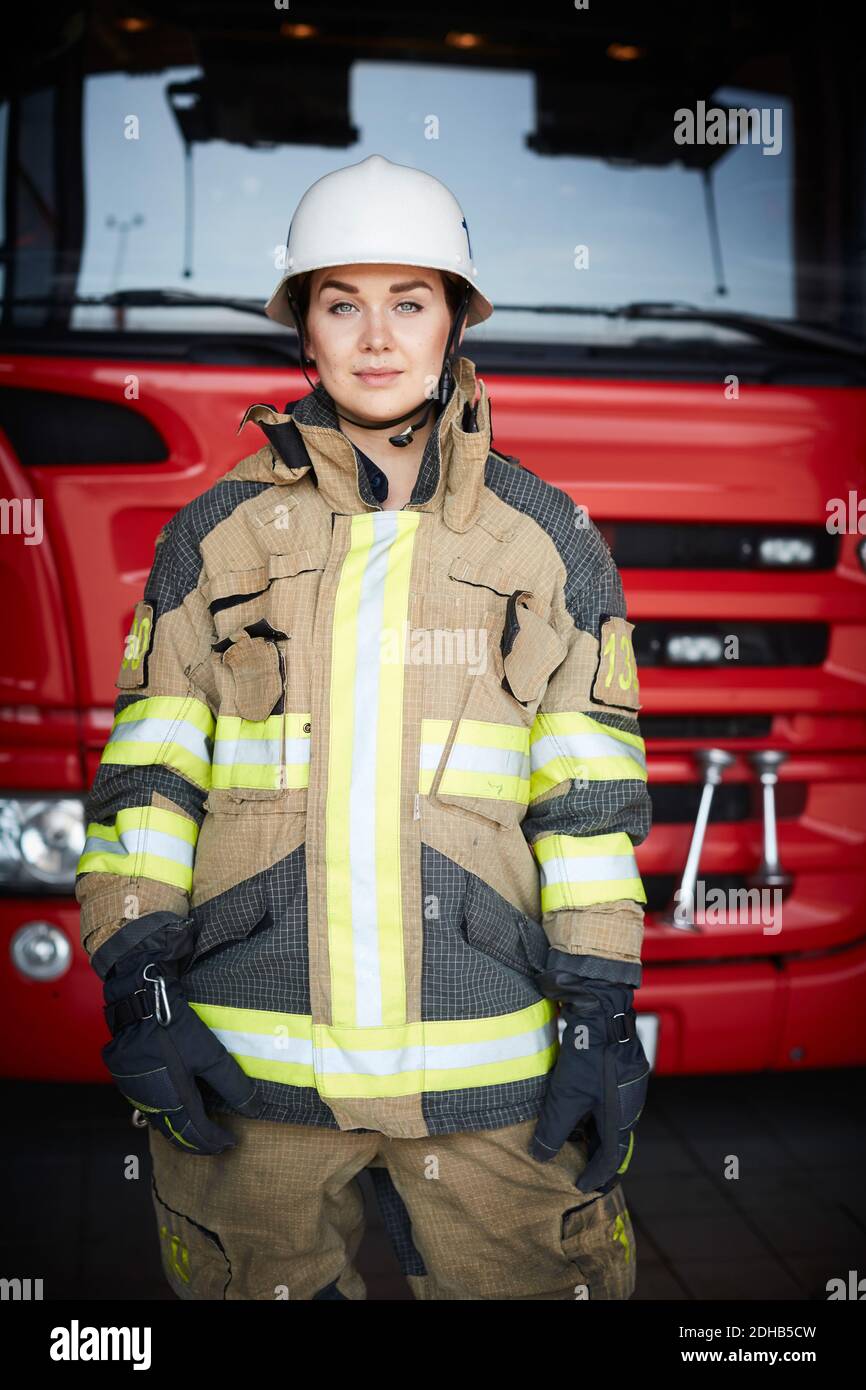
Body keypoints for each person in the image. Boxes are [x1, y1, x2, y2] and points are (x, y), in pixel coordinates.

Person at [76, 153, 653, 1301]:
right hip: (252, 1079)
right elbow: (148, 788)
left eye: (409, 302)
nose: (376, 338)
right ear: (303, 328)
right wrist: (136, 983)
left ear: (452, 323)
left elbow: (585, 803)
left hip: (496, 1083)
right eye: (342, 303)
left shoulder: (545, 542)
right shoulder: (215, 539)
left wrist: (596, 1009)